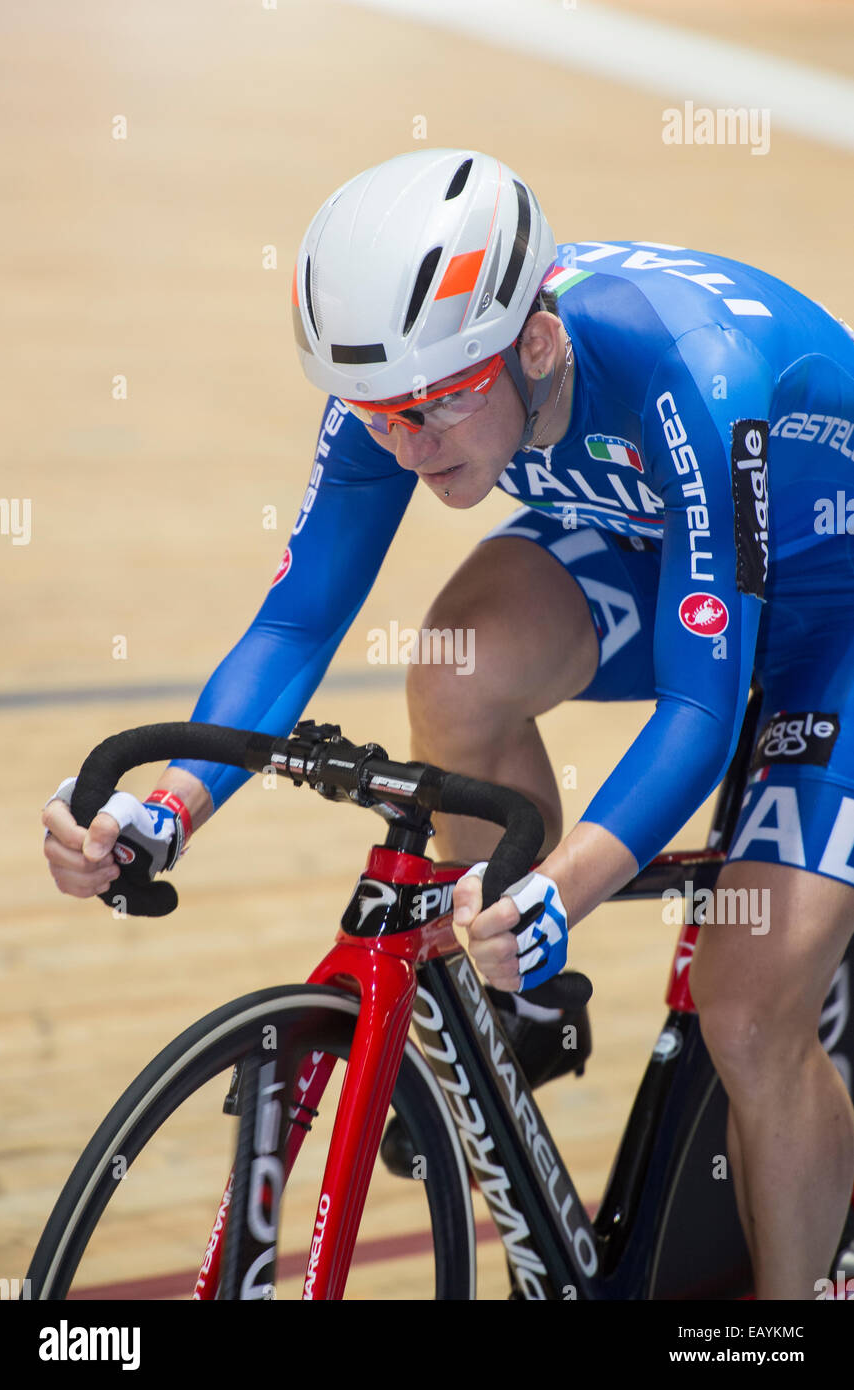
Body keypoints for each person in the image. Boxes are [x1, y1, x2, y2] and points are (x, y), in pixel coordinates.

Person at [43, 148, 854, 1299]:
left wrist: (558, 888)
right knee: (457, 665)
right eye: (376, 415)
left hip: (832, 601)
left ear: (533, 342)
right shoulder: (423, 382)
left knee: (748, 1009)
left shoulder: (694, 375)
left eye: (431, 410)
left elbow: (701, 707)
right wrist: (167, 800)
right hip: (655, 533)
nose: (407, 446)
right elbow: (296, 623)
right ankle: (517, 1016)